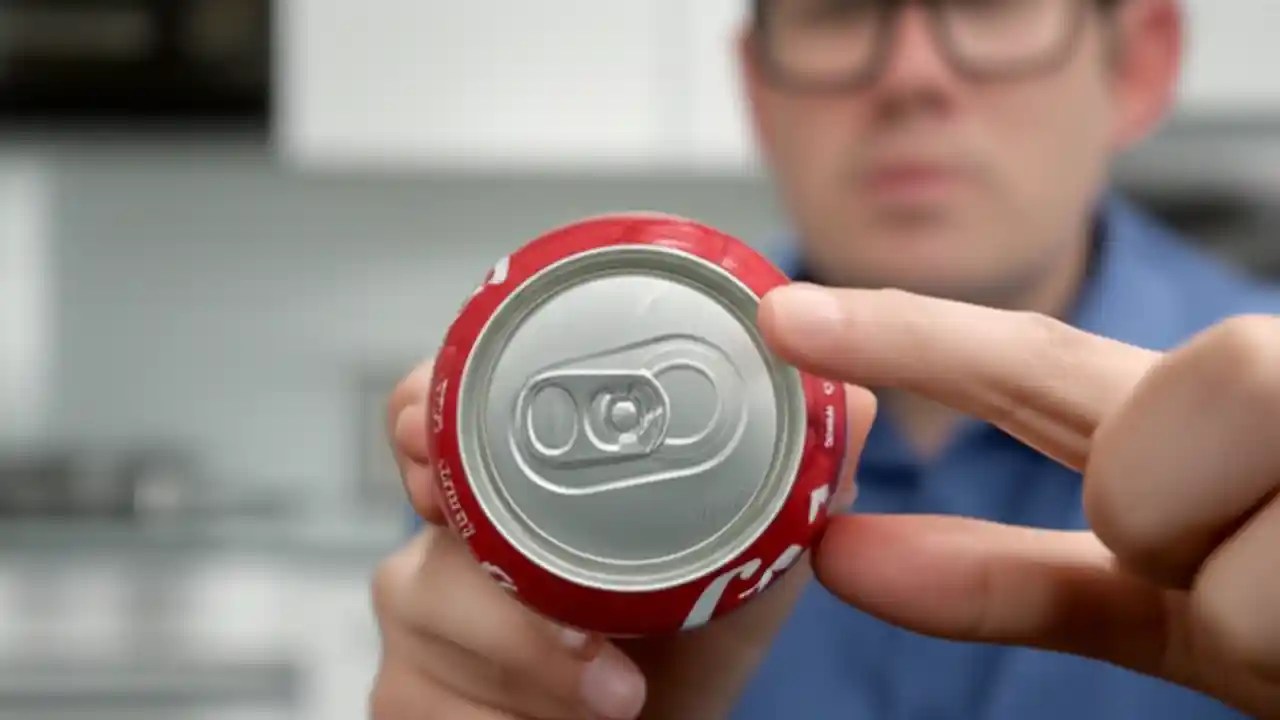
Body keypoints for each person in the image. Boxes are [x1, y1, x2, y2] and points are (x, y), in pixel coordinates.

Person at [370, 1, 1280, 718]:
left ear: (1140, 62)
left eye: (990, 4)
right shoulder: (529, 485)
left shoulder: (1267, 444)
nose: (910, 75)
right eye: (841, 10)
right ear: (757, 92)